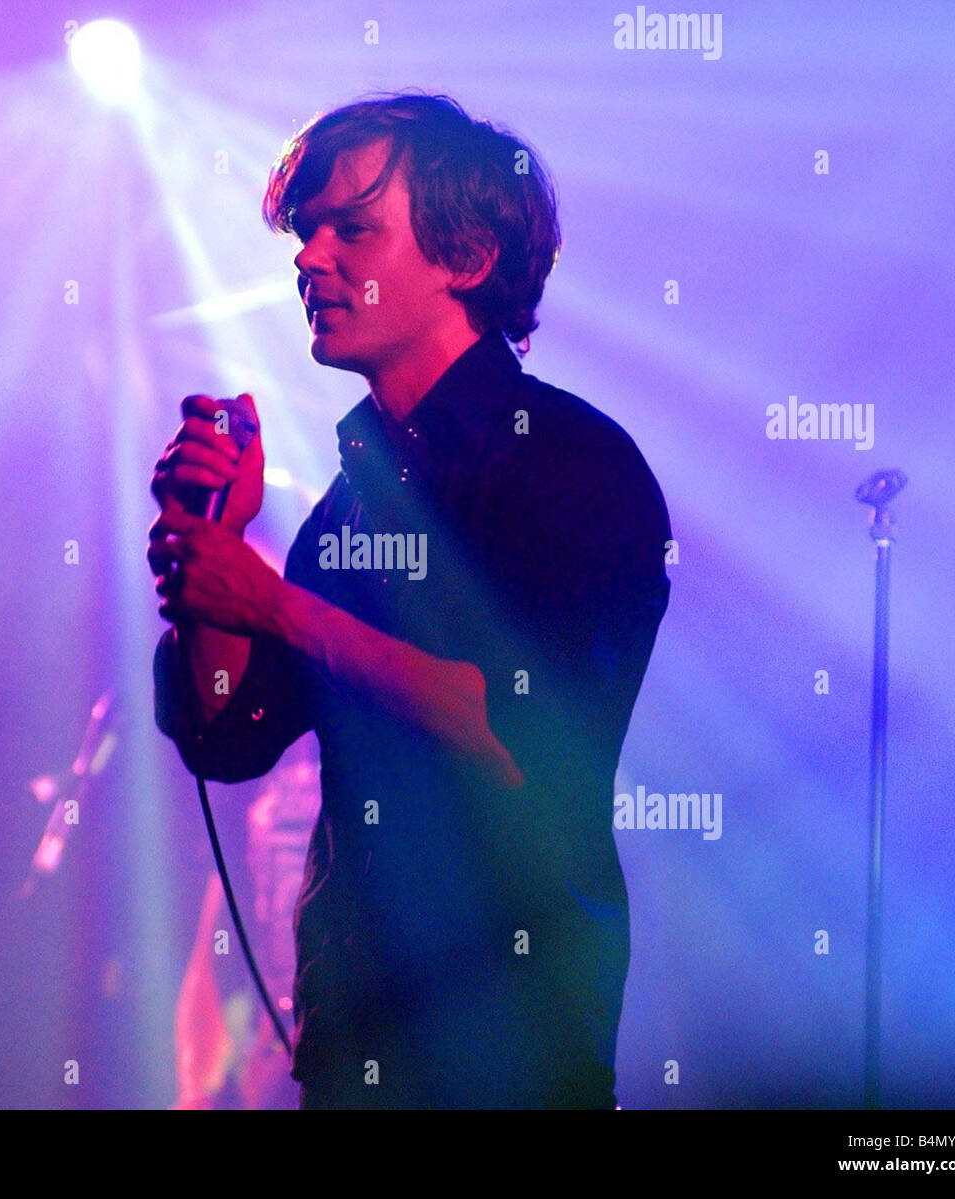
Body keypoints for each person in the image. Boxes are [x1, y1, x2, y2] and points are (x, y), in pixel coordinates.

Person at [148, 92, 671, 1109]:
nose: (309, 258)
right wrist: (212, 554)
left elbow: (518, 727)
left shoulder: (569, 461)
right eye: (306, 233)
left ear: (466, 256)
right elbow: (231, 734)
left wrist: (270, 603)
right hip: (352, 1038)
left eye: (352, 228)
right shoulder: (349, 501)